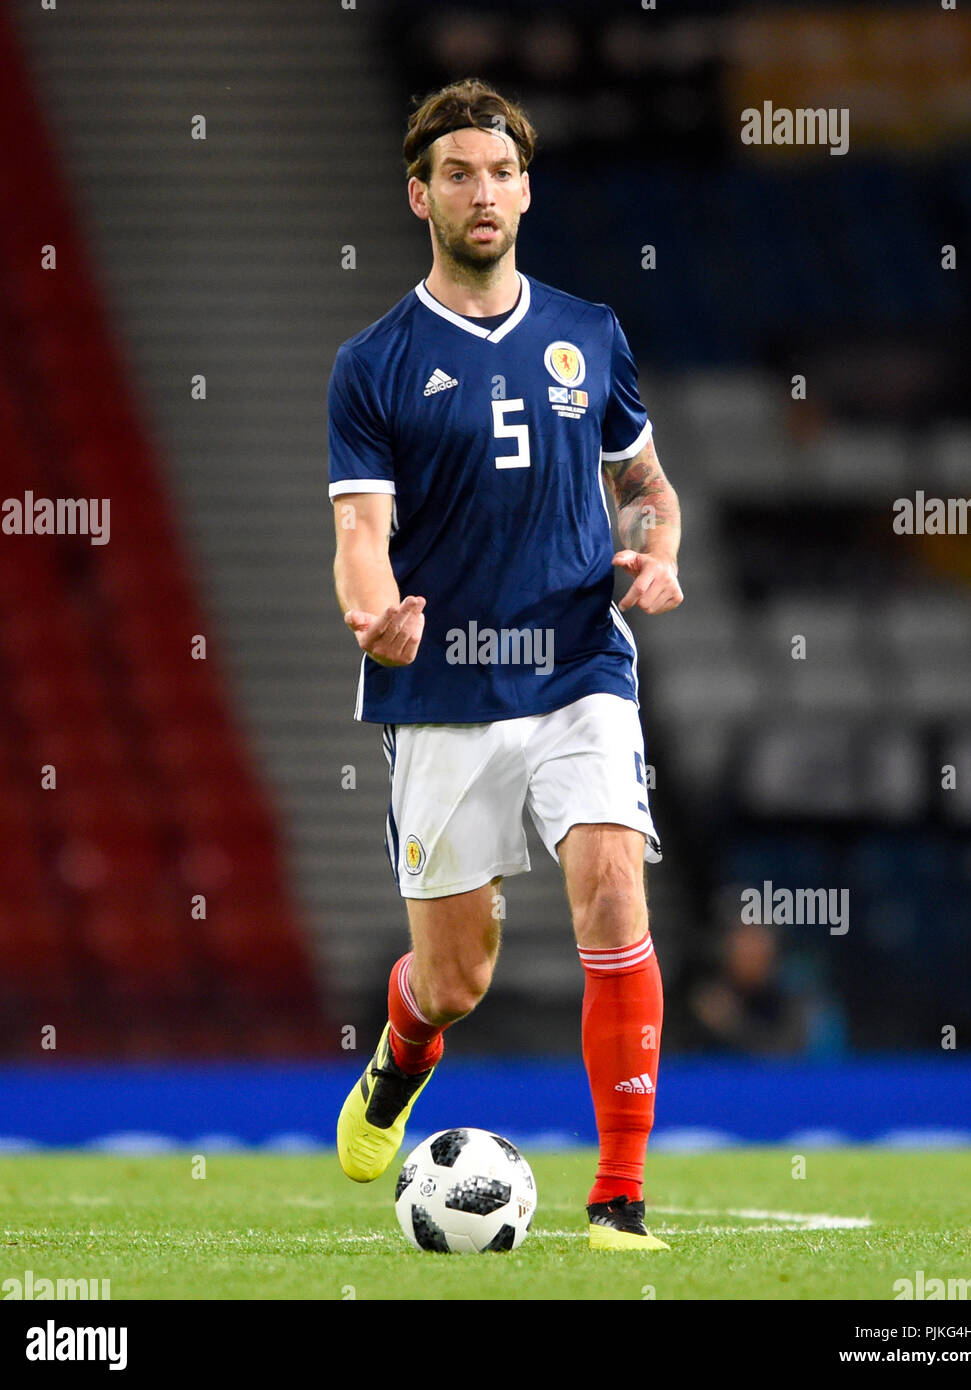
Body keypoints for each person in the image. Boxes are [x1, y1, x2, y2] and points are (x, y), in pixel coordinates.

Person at [328, 78, 682, 1250]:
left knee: (612, 887)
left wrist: (653, 554)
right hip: (442, 686)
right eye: (459, 174)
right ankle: (401, 1051)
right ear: (418, 193)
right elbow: (360, 535)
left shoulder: (589, 332)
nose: (483, 193)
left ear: (527, 189)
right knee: (459, 978)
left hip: (579, 655)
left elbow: (642, 488)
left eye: (501, 172)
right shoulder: (372, 364)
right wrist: (375, 614)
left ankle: (619, 1198)